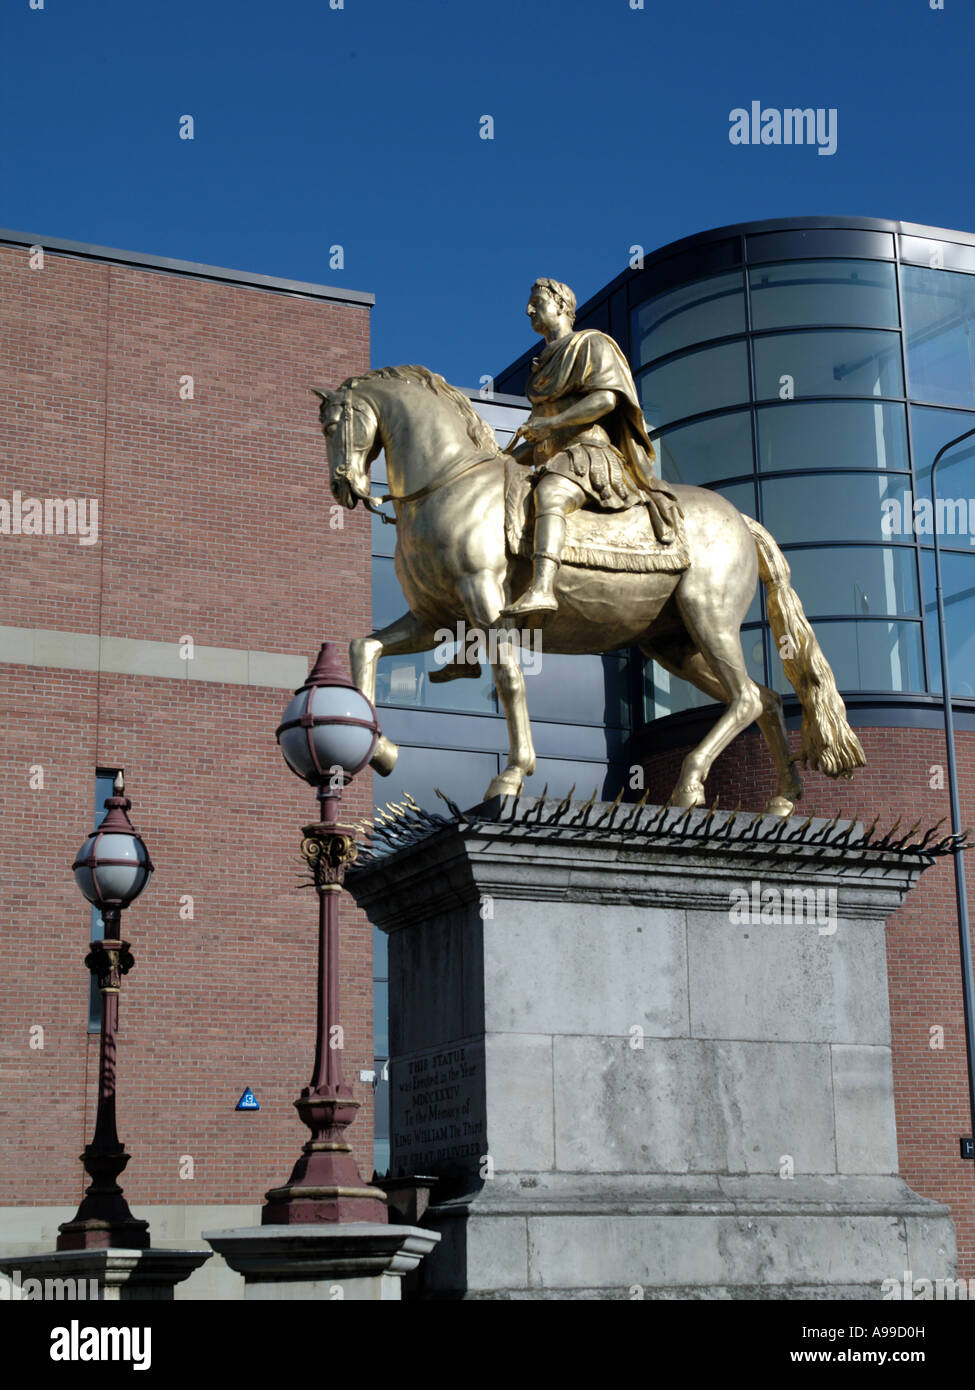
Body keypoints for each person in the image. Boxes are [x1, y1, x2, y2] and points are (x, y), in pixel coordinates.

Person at [502, 277, 683, 617]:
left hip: (588, 455)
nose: (529, 310)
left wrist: (552, 424)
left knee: (551, 495)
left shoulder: (591, 344)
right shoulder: (541, 365)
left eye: (536, 303)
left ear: (560, 305)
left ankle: (542, 588)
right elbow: (537, 435)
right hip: (549, 459)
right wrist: (501, 461)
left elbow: (606, 399)